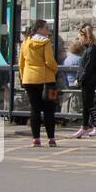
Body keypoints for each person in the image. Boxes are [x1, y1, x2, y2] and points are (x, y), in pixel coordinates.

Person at [18, 18, 59, 147]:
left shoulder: (25, 43)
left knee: (34, 109)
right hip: (47, 79)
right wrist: (56, 69)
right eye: (46, 28)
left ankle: (36, 139)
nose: (48, 30)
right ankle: (51, 138)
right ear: (40, 29)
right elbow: (49, 61)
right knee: (49, 109)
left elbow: (21, 63)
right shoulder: (46, 43)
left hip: (29, 79)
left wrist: (23, 76)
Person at [73, 25, 96, 138]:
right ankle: (84, 127)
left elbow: (88, 68)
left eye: (80, 37)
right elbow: (83, 66)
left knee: (89, 104)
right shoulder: (88, 49)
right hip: (86, 81)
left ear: (85, 36)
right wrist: (79, 77)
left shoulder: (92, 50)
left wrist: (79, 79)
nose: (79, 40)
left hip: (89, 81)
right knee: (86, 104)